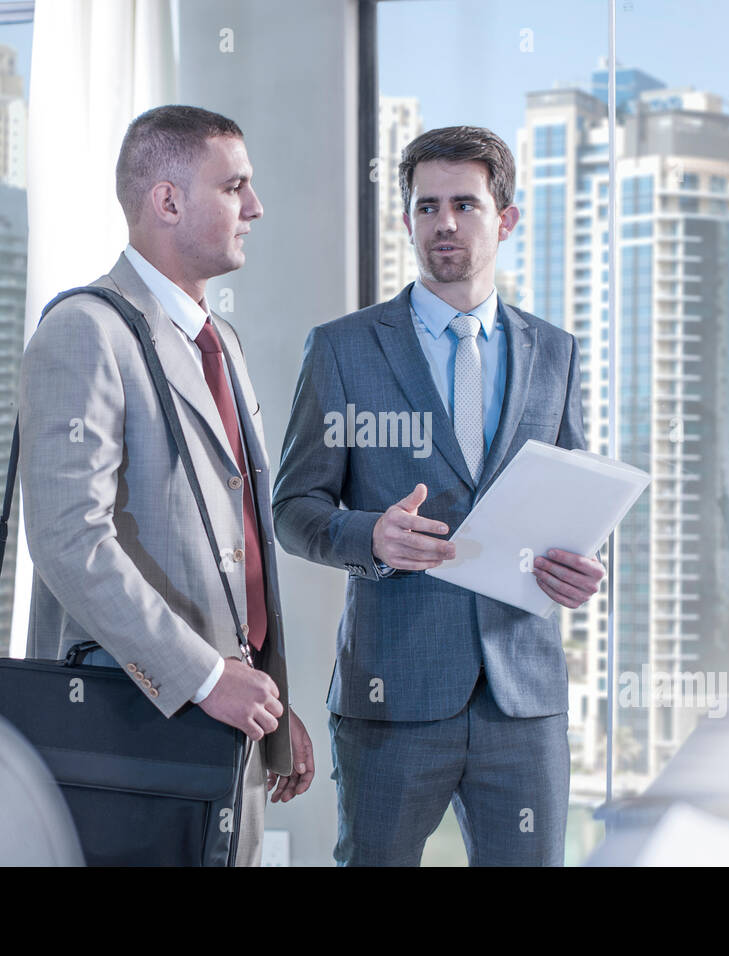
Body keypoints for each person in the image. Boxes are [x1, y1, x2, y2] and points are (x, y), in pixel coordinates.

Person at [273, 125, 604, 866]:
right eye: (427, 207)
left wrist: (579, 567)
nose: (444, 222)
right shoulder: (343, 349)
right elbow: (293, 510)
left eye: (465, 204)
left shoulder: (555, 351)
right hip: (394, 695)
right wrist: (370, 538)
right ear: (407, 220)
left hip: (524, 698)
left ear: (506, 219)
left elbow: (571, 498)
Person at [19, 105, 313, 866]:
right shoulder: (85, 331)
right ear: (169, 200)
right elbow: (66, 539)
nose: (255, 208)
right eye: (235, 187)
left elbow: (234, 537)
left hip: (225, 727)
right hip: (132, 729)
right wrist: (208, 676)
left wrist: (273, 708)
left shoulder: (222, 343)